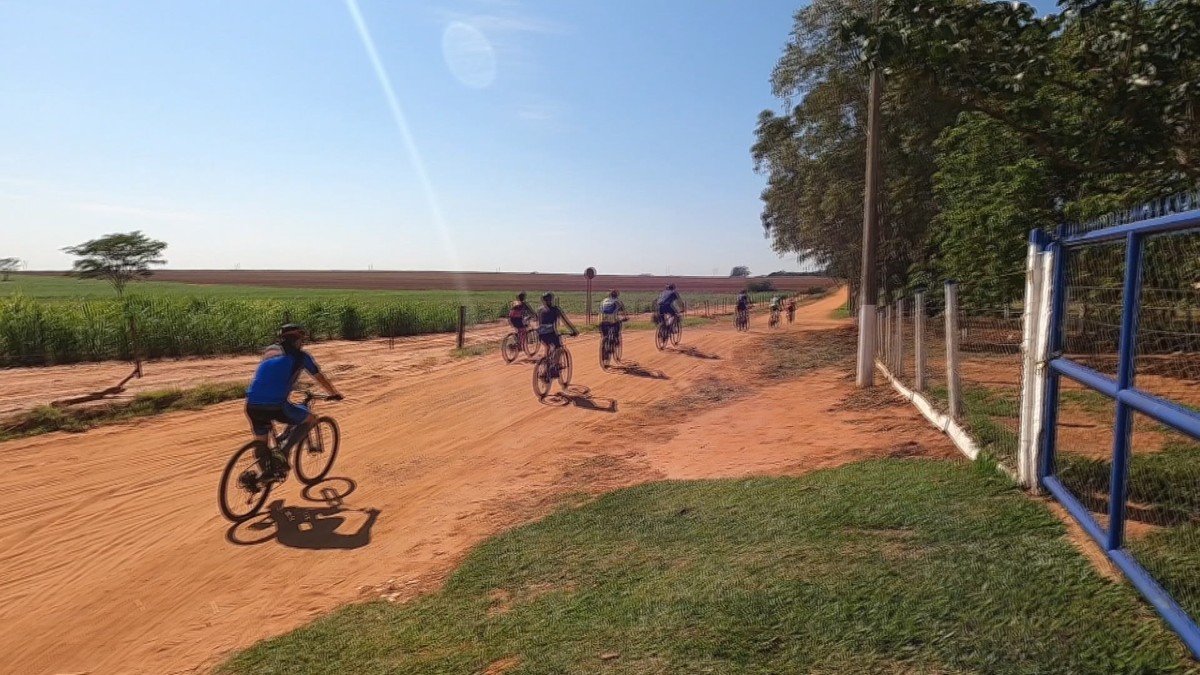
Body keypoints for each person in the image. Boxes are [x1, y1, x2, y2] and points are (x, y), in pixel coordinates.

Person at [245, 323, 343, 479]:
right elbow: (319, 377)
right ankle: (284, 452)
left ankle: (266, 476)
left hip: (252, 403)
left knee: (261, 442)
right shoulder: (301, 357)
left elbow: (272, 375)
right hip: (275, 405)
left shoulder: (269, 351)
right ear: (298, 339)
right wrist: (334, 393)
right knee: (310, 419)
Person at [536, 292, 579, 372]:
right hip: (551, 333)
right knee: (558, 347)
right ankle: (554, 367)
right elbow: (566, 321)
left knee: (547, 346)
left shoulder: (540, 310)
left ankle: (546, 363)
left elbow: (539, 323)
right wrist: (574, 331)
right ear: (552, 299)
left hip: (541, 334)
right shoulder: (556, 309)